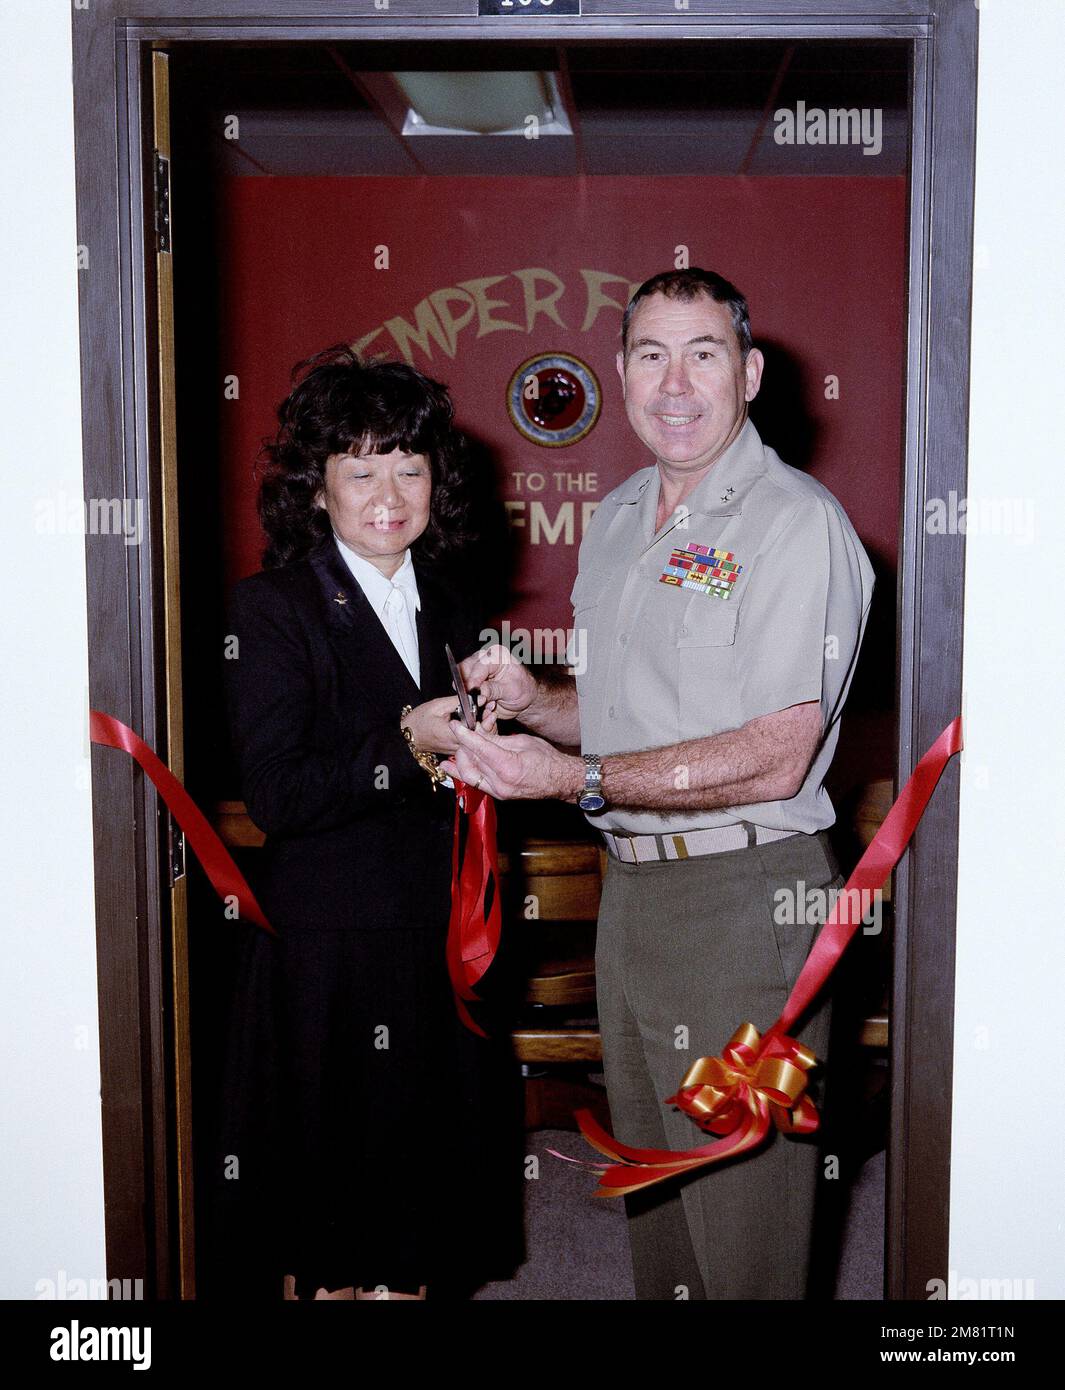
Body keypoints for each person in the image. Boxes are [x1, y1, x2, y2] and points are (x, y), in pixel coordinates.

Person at [441, 268, 875, 1301]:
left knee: (745, 1228)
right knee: (660, 1207)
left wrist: (574, 776)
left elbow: (776, 749)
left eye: (705, 353)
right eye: (650, 354)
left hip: (746, 894)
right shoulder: (625, 512)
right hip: (632, 896)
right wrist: (536, 702)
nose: (675, 383)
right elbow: (627, 714)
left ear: (752, 372)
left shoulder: (793, 522)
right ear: (623, 375)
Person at [212, 344, 523, 1301]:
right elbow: (277, 795)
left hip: (444, 937)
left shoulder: (456, 604)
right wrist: (407, 739)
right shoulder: (271, 610)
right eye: (360, 468)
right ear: (317, 488)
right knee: (336, 1230)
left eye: (409, 466)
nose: (389, 492)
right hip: (333, 954)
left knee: (424, 1225)